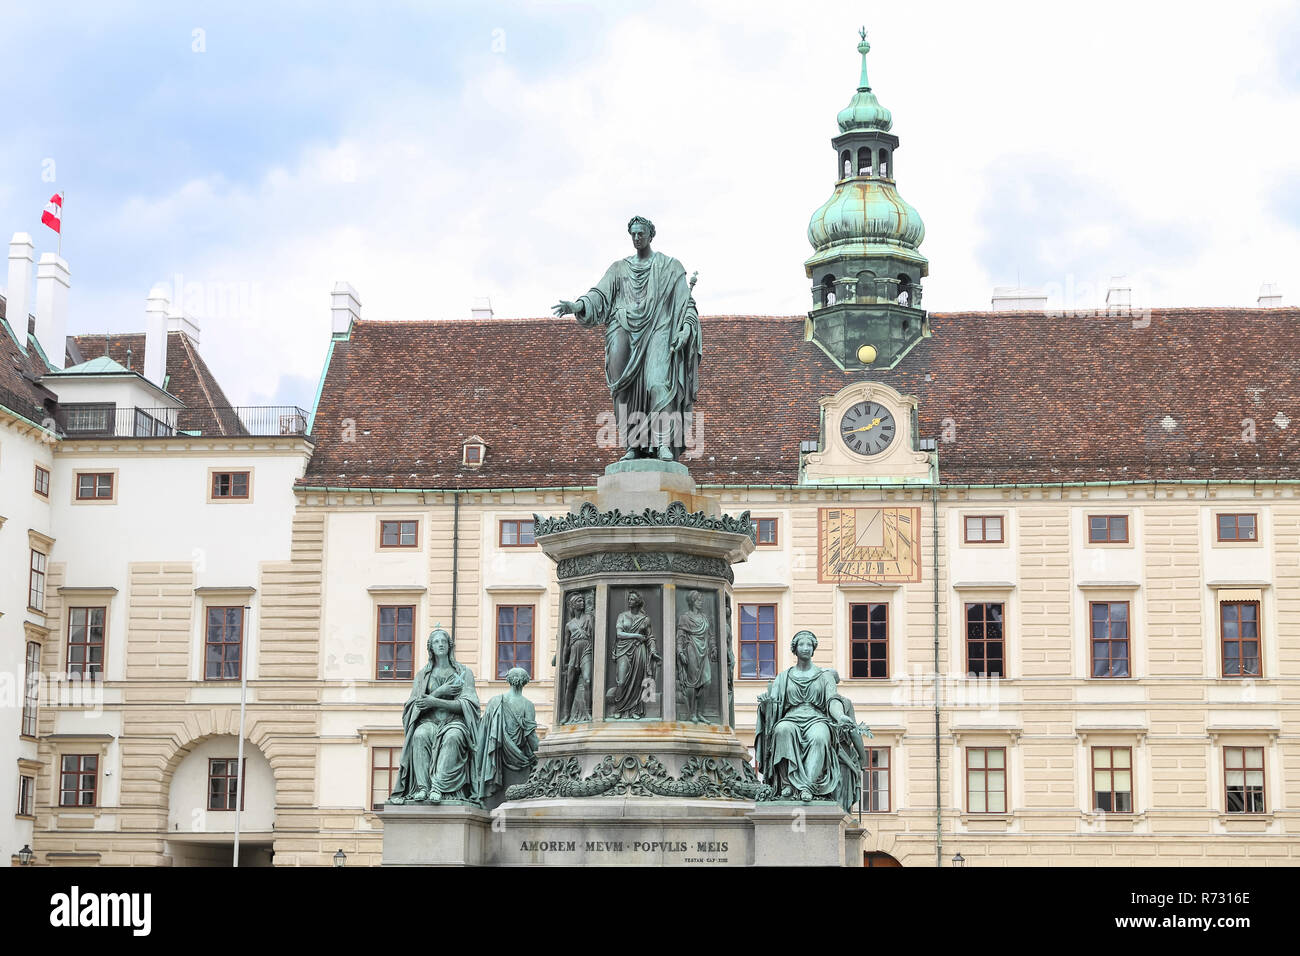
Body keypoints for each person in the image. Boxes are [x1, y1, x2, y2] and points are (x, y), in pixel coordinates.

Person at [553, 215, 701, 461]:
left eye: (640, 233)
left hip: (659, 330)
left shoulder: (670, 267)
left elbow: (687, 304)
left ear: (650, 235)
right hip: (622, 329)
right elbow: (598, 295)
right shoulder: (619, 269)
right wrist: (577, 305)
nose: (636, 237)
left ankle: (663, 442)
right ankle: (633, 445)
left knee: (658, 384)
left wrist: (686, 328)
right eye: (632, 233)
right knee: (622, 391)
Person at [753, 629, 863, 810]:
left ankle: (807, 787)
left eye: (809, 645)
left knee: (820, 736)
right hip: (791, 717)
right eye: (801, 644)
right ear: (794, 649)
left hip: (817, 718)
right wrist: (765, 706)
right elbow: (773, 706)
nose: (805, 648)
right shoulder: (783, 677)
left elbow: (832, 701)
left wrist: (841, 716)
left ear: (813, 649)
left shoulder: (824, 676)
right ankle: (788, 785)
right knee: (782, 730)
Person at [387, 627, 480, 805]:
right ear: (431, 647)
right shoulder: (423, 675)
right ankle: (423, 787)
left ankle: (438, 787)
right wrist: (440, 692)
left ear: (449, 646)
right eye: (436, 642)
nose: (440, 645)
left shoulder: (463, 673)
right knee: (419, 735)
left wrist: (434, 702)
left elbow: (467, 705)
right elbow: (416, 705)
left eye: (443, 641)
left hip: (454, 722)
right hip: (429, 721)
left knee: (454, 737)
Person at [473, 667, 539, 803]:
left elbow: (484, 734)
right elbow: (530, 736)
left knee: (495, 802)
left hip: (496, 757)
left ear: (508, 680)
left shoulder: (494, 702)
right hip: (520, 760)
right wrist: (541, 755)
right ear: (525, 682)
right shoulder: (528, 705)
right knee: (518, 802)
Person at [606, 590, 659, 719]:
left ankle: (635, 709)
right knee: (622, 681)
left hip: (639, 651)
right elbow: (619, 634)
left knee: (637, 682)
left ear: (638, 602)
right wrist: (636, 636)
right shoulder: (622, 616)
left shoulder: (645, 619)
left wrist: (653, 651)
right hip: (623, 650)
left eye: (632, 599)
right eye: (629, 599)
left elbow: (650, 637)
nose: (629, 601)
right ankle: (619, 708)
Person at [676, 590, 717, 722]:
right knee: (692, 683)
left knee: (707, 682)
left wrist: (714, 647)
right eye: (698, 600)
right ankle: (692, 713)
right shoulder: (685, 618)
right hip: (691, 649)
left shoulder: (705, 618)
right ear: (692, 601)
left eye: (701, 599)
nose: (701, 602)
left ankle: (700, 713)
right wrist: (680, 652)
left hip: (703, 651)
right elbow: (680, 637)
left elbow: (710, 635)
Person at [560, 592, 594, 723]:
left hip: (586, 650)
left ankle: (589, 713)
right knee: (570, 685)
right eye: (579, 601)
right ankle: (566, 714)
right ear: (573, 605)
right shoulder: (569, 625)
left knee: (587, 681)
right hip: (574, 653)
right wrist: (564, 662)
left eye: (583, 601)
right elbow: (566, 646)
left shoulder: (589, 619)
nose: (582, 603)